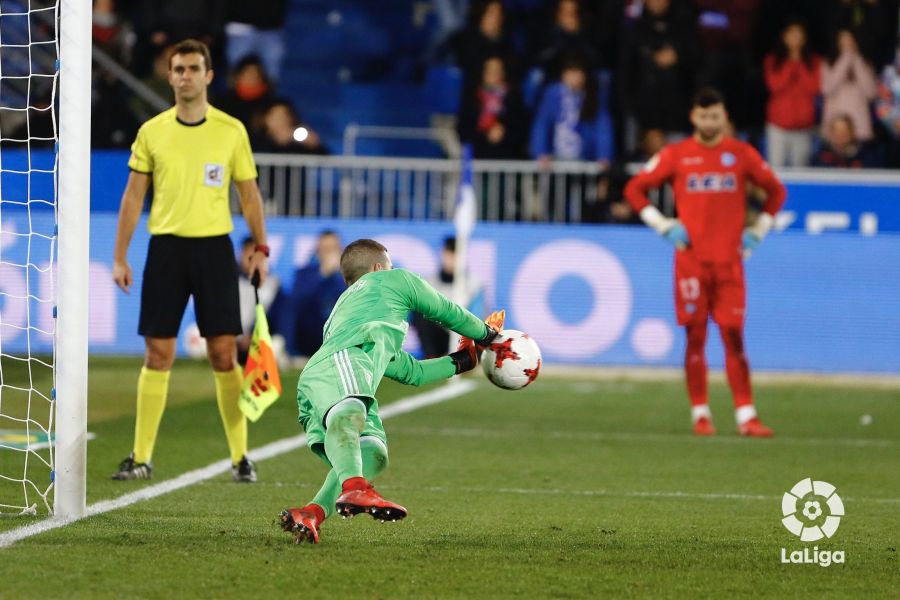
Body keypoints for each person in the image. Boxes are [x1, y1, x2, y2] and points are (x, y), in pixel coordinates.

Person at [110, 39, 269, 482]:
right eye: (178, 69)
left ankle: (241, 457)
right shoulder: (152, 131)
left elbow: (249, 195)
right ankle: (141, 457)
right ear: (169, 76)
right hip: (166, 250)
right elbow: (133, 197)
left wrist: (261, 248)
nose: (185, 76)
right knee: (158, 352)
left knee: (223, 353)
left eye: (193, 68)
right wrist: (120, 256)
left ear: (208, 76)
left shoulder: (231, 130)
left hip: (214, 249)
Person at [279, 239, 505, 544]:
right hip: (342, 367)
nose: (395, 270)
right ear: (378, 269)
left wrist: (464, 361)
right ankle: (355, 487)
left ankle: (312, 513)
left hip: (326, 377)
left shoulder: (354, 315)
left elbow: (412, 372)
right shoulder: (394, 280)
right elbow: (444, 310)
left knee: (373, 452)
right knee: (350, 413)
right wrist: (487, 335)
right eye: (391, 265)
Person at [624, 88, 786, 438]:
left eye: (715, 116)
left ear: (724, 117)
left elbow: (777, 191)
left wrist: (758, 230)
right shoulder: (676, 155)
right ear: (693, 117)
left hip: (729, 263)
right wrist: (662, 225)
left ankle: (746, 416)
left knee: (733, 335)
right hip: (691, 263)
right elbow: (635, 189)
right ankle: (701, 413)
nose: (709, 122)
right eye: (703, 116)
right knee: (695, 336)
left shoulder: (741, 154)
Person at [412, 237, 485, 358]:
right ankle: (432, 359)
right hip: (439, 337)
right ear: (443, 253)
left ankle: (465, 359)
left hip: (463, 338)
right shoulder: (429, 282)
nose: (452, 258)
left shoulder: (474, 285)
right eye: (449, 253)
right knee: (420, 313)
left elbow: (477, 319)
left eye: (455, 254)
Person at [763, 21, 821, 167]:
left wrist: (799, 62)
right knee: (776, 167)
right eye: (791, 34)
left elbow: (814, 88)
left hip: (803, 126)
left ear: (804, 38)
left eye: (799, 34)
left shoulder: (814, 61)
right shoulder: (773, 60)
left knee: (801, 169)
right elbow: (775, 86)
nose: (795, 38)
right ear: (784, 37)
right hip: (778, 125)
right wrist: (791, 63)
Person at [282, 230, 346, 359]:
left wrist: (336, 274)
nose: (329, 254)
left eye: (333, 249)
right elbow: (297, 302)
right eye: (325, 249)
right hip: (309, 337)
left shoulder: (348, 275)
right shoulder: (304, 274)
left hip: (340, 337)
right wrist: (323, 275)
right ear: (317, 252)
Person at [457, 56, 529, 159]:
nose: (495, 74)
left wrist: (504, 133)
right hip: (478, 153)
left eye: (498, 70)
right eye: (491, 70)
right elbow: (463, 128)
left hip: (508, 153)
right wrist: (485, 135)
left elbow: (521, 129)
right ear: (483, 72)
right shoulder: (471, 97)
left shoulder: (513, 97)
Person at [821, 29, 878, 143]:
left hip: (859, 126)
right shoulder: (828, 63)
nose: (847, 45)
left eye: (850, 40)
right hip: (835, 126)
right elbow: (827, 89)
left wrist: (856, 60)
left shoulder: (865, 63)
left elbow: (871, 93)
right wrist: (845, 59)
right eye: (843, 41)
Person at [237, 236, 282, 365]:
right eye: (248, 254)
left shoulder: (273, 284)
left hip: (260, 339)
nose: (251, 260)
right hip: (233, 339)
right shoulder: (230, 281)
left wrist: (253, 334)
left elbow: (276, 317)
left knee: (277, 343)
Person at [813, 114, 880, 168]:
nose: (840, 137)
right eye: (836, 133)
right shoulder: (822, 155)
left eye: (844, 133)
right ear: (831, 134)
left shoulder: (865, 155)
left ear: (852, 133)